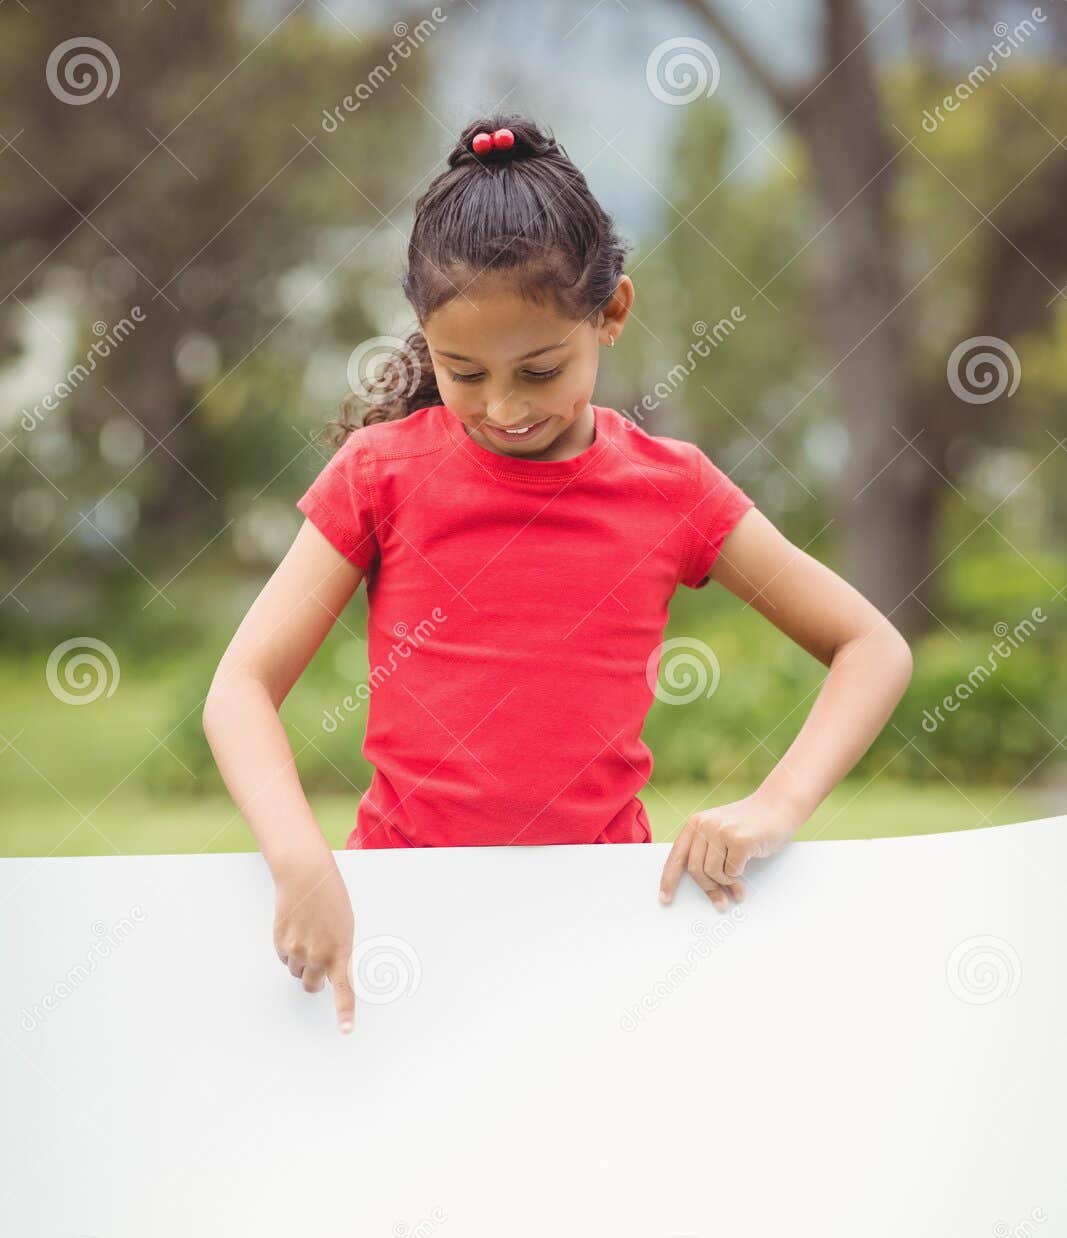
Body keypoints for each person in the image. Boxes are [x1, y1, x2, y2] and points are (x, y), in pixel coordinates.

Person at [203, 114, 913, 1036]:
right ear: (423, 338)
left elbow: (872, 646)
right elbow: (241, 686)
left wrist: (774, 807)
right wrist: (301, 863)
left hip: (606, 923)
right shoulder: (380, 473)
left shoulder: (672, 489)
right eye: (462, 372)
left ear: (611, 313)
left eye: (539, 371)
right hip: (404, 911)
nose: (502, 407)